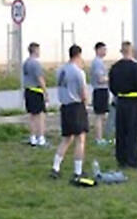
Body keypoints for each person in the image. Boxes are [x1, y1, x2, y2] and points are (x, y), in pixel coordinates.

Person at [51, 45, 92, 184]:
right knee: (80, 139)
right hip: (76, 107)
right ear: (78, 55)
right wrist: (86, 104)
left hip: (65, 106)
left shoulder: (60, 70)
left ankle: (55, 167)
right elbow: (83, 92)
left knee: (66, 138)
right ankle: (78, 171)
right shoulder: (78, 72)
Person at [108, 41, 137, 170]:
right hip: (133, 102)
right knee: (133, 132)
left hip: (120, 101)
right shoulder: (136, 68)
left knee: (121, 131)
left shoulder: (115, 67)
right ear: (131, 51)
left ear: (121, 51)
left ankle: (121, 159)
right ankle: (132, 160)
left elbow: (112, 86)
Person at [21, 43, 48, 148]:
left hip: (28, 90)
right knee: (40, 116)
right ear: (35, 50)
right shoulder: (35, 63)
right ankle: (41, 138)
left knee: (32, 116)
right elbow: (40, 78)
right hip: (36, 91)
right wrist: (45, 92)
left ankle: (32, 138)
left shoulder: (26, 63)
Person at [90, 41, 111, 145]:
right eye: (103, 49)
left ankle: (101, 137)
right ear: (98, 50)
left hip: (103, 90)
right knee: (99, 116)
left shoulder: (101, 62)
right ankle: (98, 138)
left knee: (102, 115)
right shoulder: (97, 62)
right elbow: (100, 79)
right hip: (100, 90)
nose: (105, 51)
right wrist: (111, 78)